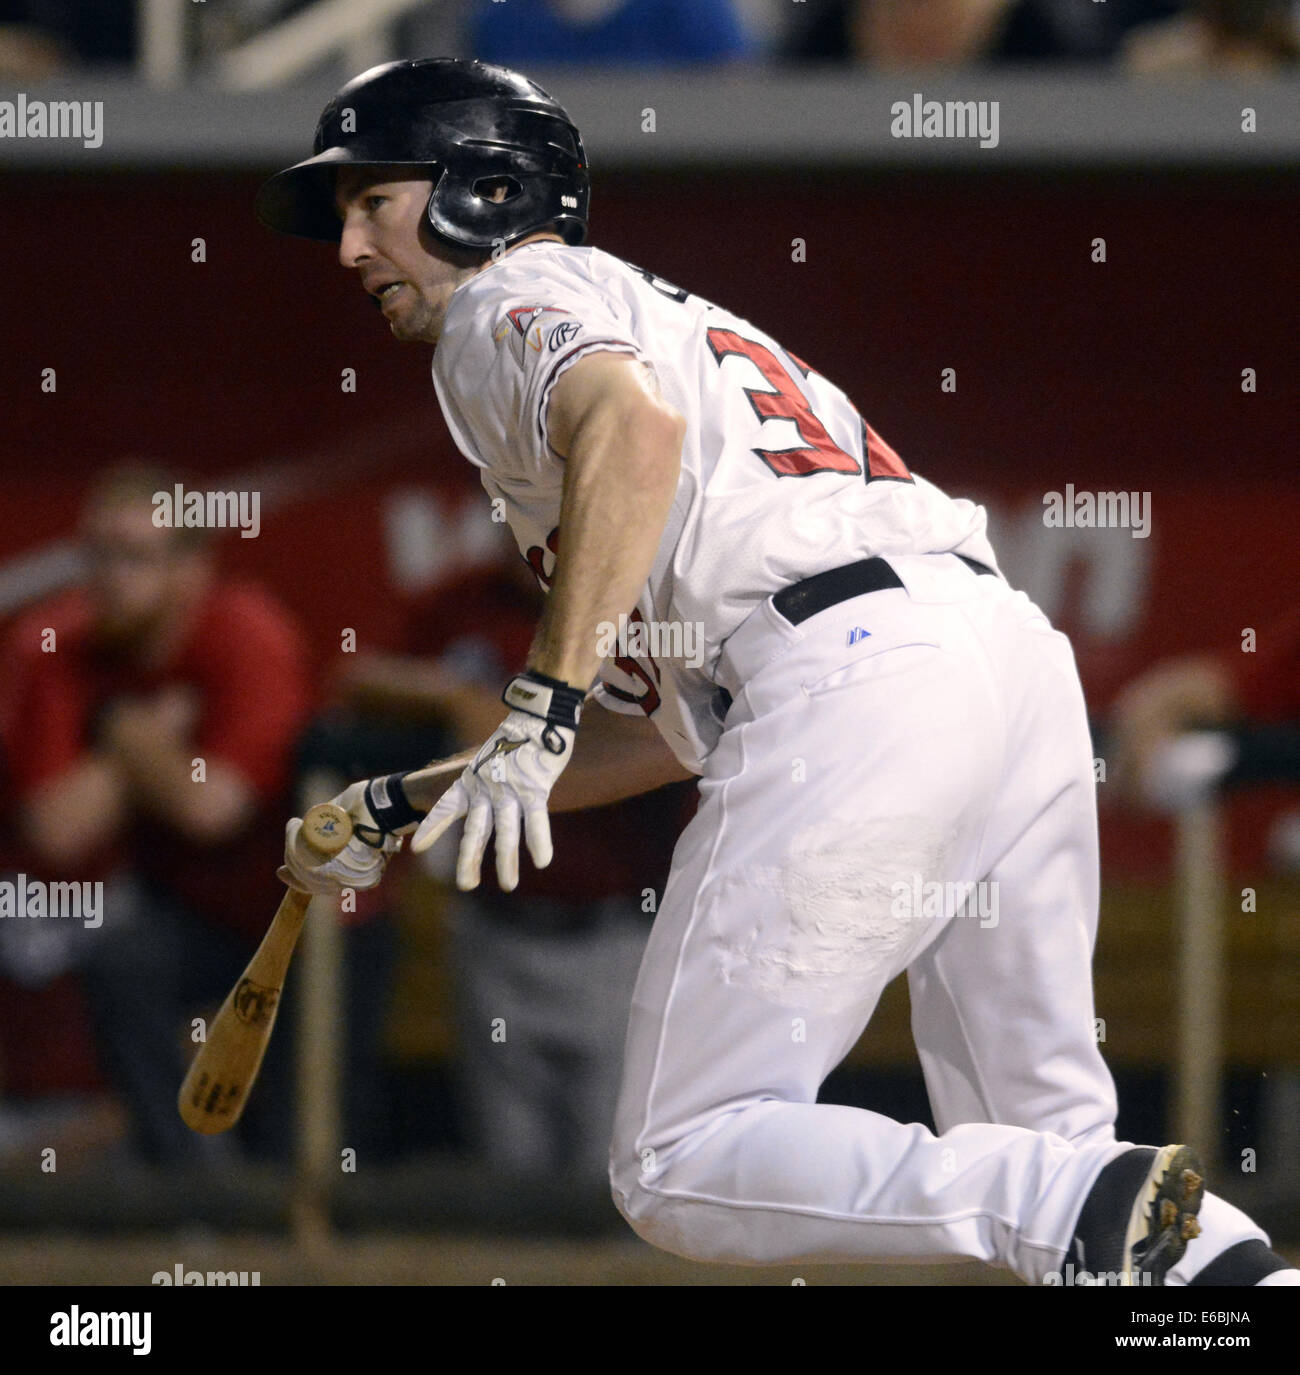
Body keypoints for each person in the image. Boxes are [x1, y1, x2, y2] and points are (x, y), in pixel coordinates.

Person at [256, 58, 1296, 1285]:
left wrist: (536, 707)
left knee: (681, 1155)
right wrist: (401, 803)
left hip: (848, 673)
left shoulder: (503, 300)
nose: (348, 248)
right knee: (1047, 1149)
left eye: (371, 203)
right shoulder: (652, 322)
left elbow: (627, 430)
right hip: (992, 661)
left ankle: (1086, 1198)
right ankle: (1237, 1287)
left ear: (481, 191)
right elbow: (660, 739)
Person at [2, 465, 313, 1165]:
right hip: (193, 908)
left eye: (135, 556)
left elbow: (214, 809)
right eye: (97, 555)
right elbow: (54, 827)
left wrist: (121, 733)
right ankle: (192, 1197)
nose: (110, 577)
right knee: (121, 964)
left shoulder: (245, 632)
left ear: (193, 567)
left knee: (306, 1136)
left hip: (304, 916)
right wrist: (138, 737)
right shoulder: (65, 645)